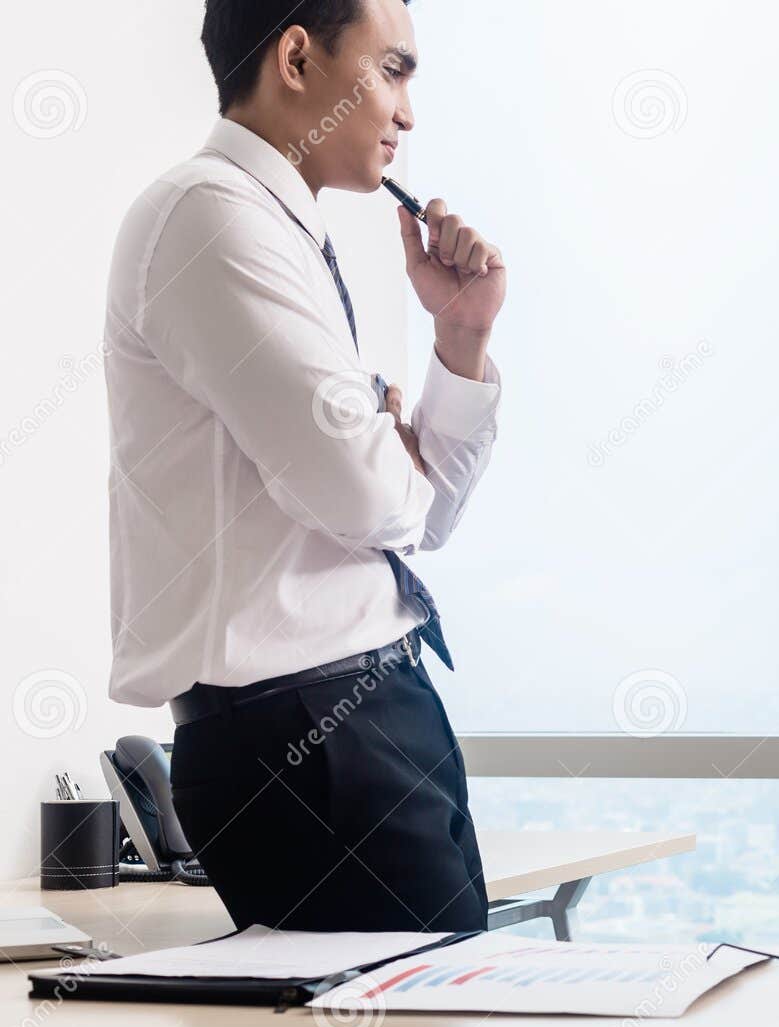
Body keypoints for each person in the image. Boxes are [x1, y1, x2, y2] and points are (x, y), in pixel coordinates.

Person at [103, 0, 507, 932]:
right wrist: (383, 451)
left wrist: (461, 341)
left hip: (362, 719)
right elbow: (372, 497)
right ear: (296, 59)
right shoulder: (210, 218)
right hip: (310, 740)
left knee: (442, 1018)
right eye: (392, 70)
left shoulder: (279, 229)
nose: (408, 114)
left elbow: (421, 517)